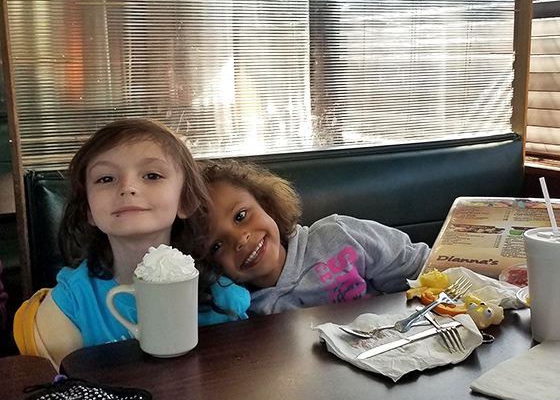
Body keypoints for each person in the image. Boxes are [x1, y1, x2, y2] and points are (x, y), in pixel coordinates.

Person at [35, 119, 250, 365]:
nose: (128, 187)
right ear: (88, 210)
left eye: (151, 175)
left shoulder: (224, 300)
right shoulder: (70, 306)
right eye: (106, 179)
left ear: (186, 201)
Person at [202, 160, 429, 315]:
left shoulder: (339, 235)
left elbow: (423, 267)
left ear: (266, 205)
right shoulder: (242, 309)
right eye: (217, 245)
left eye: (241, 216)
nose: (240, 240)